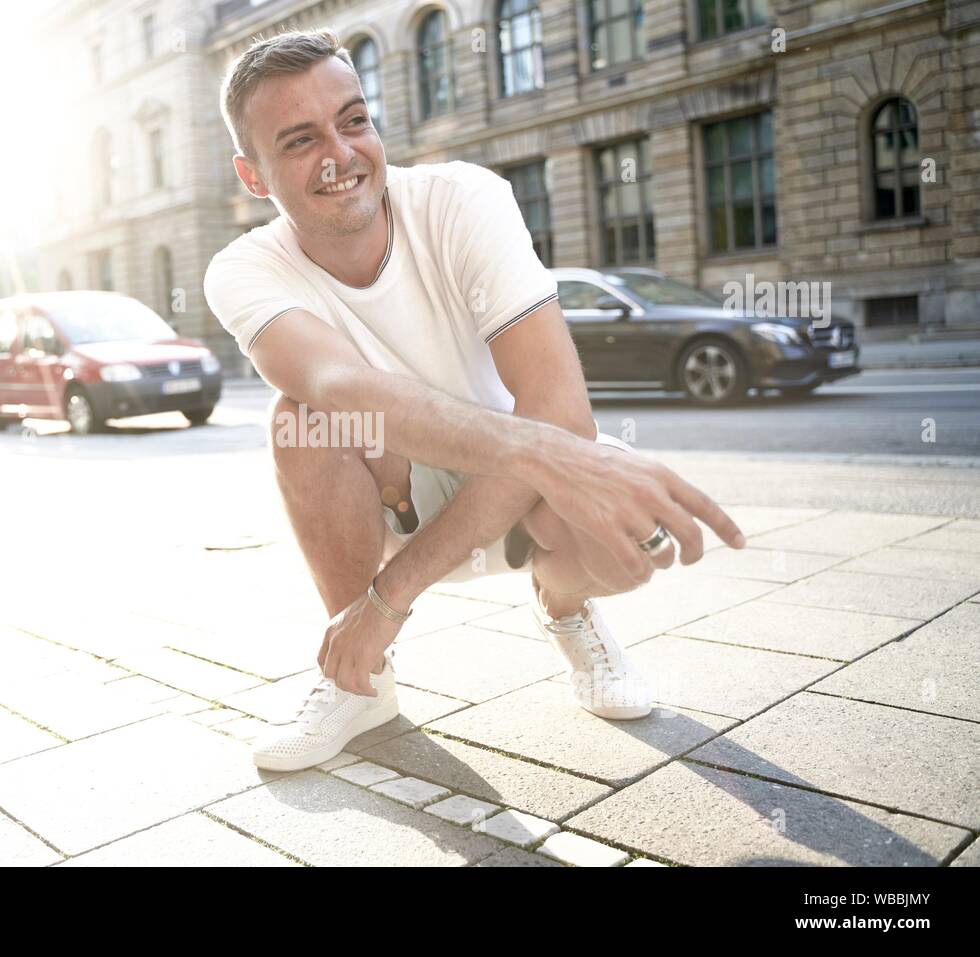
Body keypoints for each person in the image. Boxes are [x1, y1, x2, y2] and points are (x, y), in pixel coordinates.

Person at [204, 30, 748, 772]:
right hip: (393, 496)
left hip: (520, 498)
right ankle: (363, 680)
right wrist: (557, 449)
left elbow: (557, 406)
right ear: (253, 175)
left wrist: (390, 596)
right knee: (302, 421)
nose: (341, 153)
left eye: (354, 120)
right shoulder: (244, 268)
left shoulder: (465, 199)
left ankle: (565, 610)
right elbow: (336, 387)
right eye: (300, 140)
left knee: (618, 543)